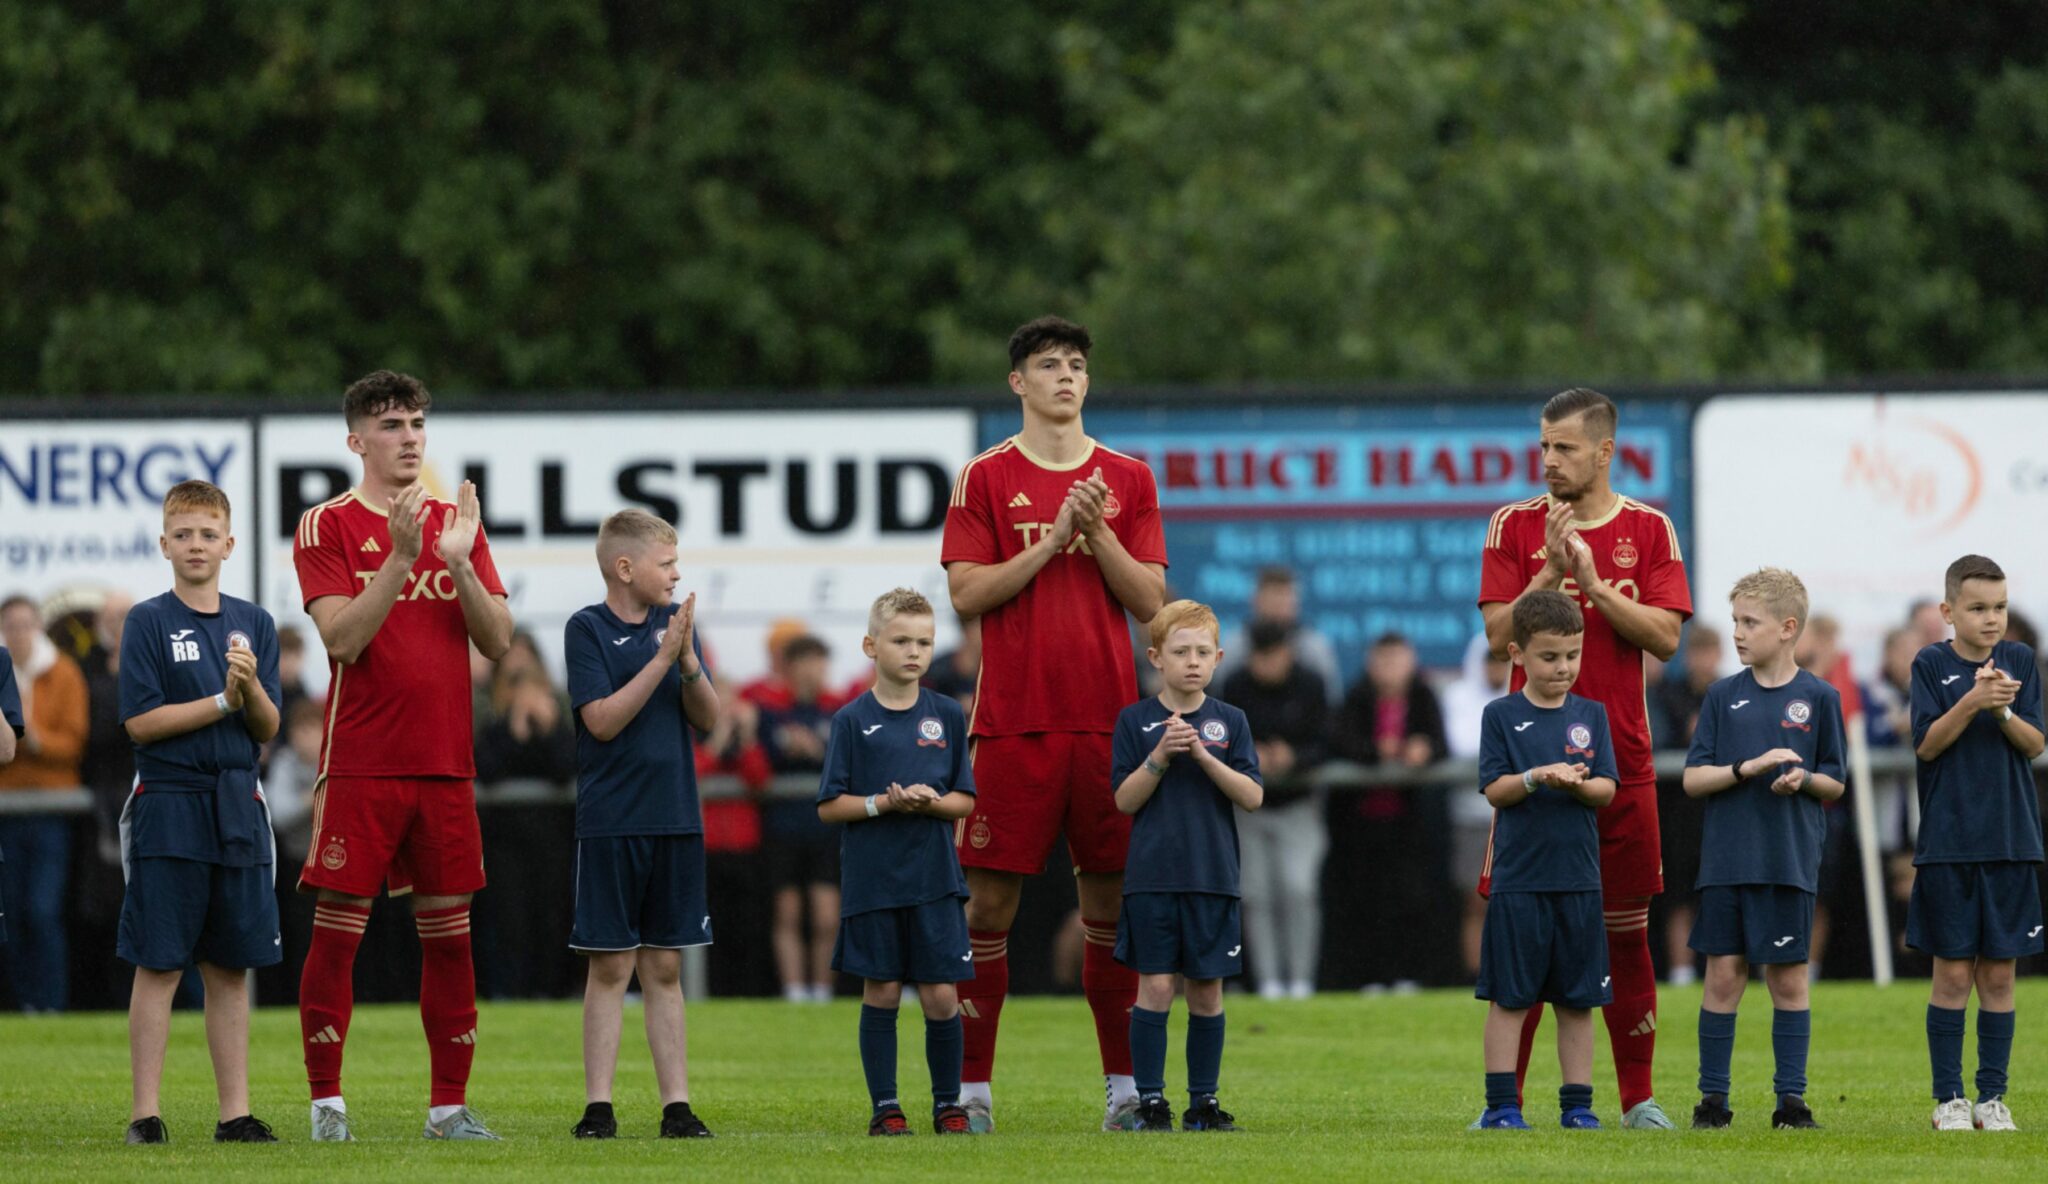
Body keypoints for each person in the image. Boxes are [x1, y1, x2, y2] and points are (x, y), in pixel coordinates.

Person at [941, 315, 1167, 1132]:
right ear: (1019, 384)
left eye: (1076, 364)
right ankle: (971, 1093)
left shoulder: (1127, 478)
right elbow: (965, 595)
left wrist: (1097, 530)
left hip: (1109, 728)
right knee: (987, 909)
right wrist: (1053, 542)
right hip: (1013, 723)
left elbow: (1152, 604)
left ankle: (1125, 1090)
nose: (1066, 376)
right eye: (1049, 364)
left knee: (1109, 911)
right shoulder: (986, 478)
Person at [290, 370, 514, 1141]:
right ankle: (327, 1105)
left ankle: (448, 1109)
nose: (410, 436)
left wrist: (452, 561)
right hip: (361, 762)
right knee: (337, 928)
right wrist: (400, 557)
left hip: (445, 764)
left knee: (450, 936)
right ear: (357, 440)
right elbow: (342, 640)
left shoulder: (460, 524)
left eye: (417, 422)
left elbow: (499, 641)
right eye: (391, 425)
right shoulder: (326, 525)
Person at [1477, 387, 1692, 1128]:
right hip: (1531, 767)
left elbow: (1666, 639)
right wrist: (1545, 572)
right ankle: (1511, 1107)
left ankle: (1638, 1099)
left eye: (1563, 448)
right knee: (1528, 933)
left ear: (1604, 453)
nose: (1548, 461)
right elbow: (1495, 636)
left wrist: (1595, 586)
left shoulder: (1649, 529)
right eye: (1543, 446)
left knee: (1625, 932)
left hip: (1617, 762)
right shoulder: (1513, 526)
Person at [115, 480, 284, 1145]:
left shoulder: (256, 623)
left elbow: (266, 726)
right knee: (159, 963)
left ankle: (234, 1114)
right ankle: (145, 1114)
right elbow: (140, 721)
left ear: (229, 544)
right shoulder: (148, 620)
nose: (195, 545)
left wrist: (246, 693)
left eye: (207, 534)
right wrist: (222, 699)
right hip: (170, 803)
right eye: (182, 534)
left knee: (230, 965)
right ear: (164, 543)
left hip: (237, 805)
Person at [563, 509, 719, 1140]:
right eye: (667, 564)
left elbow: (707, 717)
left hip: (675, 818)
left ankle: (676, 1106)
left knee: (664, 967)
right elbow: (601, 720)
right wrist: (662, 659)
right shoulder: (587, 629)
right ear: (625, 568)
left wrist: (685, 662)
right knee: (609, 966)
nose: (677, 575)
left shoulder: (675, 627)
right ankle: (598, 1106)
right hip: (611, 823)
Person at [1680, 569, 1845, 1131]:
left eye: (1750, 622)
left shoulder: (1819, 698)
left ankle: (1791, 1103)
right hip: (1727, 861)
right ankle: (1712, 1102)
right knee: (1722, 977)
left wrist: (1803, 780)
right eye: (1735, 623)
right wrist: (1742, 769)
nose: (1739, 634)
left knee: (1787, 980)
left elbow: (1836, 781)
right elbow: (1693, 779)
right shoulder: (1723, 696)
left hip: (1785, 860)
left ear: (1787, 628)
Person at [816, 589, 978, 1137]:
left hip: (934, 880)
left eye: (924, 642)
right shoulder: (851, 721)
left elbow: (965, 800)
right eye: (902, 640)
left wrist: (931, 801)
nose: (914, 651)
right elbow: (829, 805)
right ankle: (886, 1107)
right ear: (870, 645)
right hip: (873, 880)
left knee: (940, 994)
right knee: (881, 990)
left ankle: (947, 1105)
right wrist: (881, 803)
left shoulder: (948, 715)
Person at [1112, 600, 1263, 1132]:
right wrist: (1158, 757)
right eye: (1180, 651)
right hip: (1152, 879)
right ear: (1156, 657)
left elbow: (1251, 795)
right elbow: (1125, 801)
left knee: (1207, 989)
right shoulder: (1135, 720)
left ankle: (1204, 1102)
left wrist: (1202, 755)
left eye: (1202, 652)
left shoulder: (1231, 722)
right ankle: (1150, 1101)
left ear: (1219, 657)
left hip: (1213, 878)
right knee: (1154, 987)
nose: (1192, 661)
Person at [1908, 555, 2044, 1132]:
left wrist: (2003, 706)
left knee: (1999, 976)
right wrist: (1971, 699)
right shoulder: (1930, 663)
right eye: (1979, 608)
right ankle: (1949, 1101)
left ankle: (1992, 1098)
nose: (1992, 619)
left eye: (2000, 607)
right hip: (1949, 842)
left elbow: (2034, 741)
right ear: (1949, 612)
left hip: (2012, 841)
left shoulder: (2019, 660)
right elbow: (1927, 745)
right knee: (1954, 975)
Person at [1473, 590, 1618, 1131]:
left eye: (1572, 656)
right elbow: (1495, 790)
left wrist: (1579, 784)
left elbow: (1606, 787)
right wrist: (1537, 777)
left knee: (1578, 1001)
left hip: (1579, 880)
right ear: (1518, 655)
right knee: (1510, 999)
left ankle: (1578, 1106)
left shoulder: (1592, 715)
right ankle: (1502, 1107)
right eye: (1550, 657)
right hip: (1519, 882)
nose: (1564, 668)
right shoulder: (1502, 715)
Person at [1331, 632, 1448, 989]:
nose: (1390, 669)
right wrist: (1376, 751)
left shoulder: (1424, 697)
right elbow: (1341, 743)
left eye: (1397, 660)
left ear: (1411, 662)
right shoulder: (1356, 696)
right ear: (1370, 663)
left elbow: (1441, 744)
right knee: (1367, 900)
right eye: (1383, 661)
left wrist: (1423, 749)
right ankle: (1371, 977)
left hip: (1411, 821)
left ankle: (1408, 974)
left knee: (1411, 898)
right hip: (1362, 821)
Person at [1220, 618, 1328, 999]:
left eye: (1274, 655)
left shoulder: (1310, 683)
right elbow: (1221, 742)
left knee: (1298, 890)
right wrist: (1253, 757)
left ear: (1289, 651)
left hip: (1298, 806)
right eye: (1260, 656)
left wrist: (1293, 757)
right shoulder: (1234, 685)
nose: (1267, 664)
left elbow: (1327, 741)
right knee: (1256, 895)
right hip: (1249, 807)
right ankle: (1268, 982)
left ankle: (1300, 980)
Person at [0, 593, 90, 1012]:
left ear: (38, 627)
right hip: (7, 809)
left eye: (25, 625)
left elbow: (74, 743)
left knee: (42, 910)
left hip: (54, 809)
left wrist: (33, 738)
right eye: (10, 626)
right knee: (13, 913)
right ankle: (25, 1005)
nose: (18, 634)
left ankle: (52, 1003)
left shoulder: (64, 673)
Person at [758, 634, 846, 1003]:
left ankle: (822, 992)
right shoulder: (769, 714)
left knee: (827, 915)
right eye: (806, 663)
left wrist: (817, 750)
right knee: (788, 913)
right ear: (789, 668)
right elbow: (756, 768)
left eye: (820, 662)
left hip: (826, 828)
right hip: (783, 828)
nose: (814, 672)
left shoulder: (841, 714)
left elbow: (852, 764)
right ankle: (795, 993)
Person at [1653, 625, 1723, 988]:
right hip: (1677, 811)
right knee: (1678, 894)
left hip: (1719, 812)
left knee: (1715, 895)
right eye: (1698, 652)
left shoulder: (1729, 692)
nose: (1705, 661)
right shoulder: (1668, 693)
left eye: (1711, 652)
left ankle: (1717, 969)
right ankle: (1681, 974)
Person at [1442, 634, 1513, 978]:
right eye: (1489, 660)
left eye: (1500, 660)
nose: (1494, 668)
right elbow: (1460, 744)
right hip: (1470, 817)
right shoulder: (1457, 697)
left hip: (1513, 815)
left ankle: (1508, 969)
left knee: (1513, 900)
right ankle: (1475, 973)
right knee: (1475, 902)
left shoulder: (1521, 697)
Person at [1217, 567, 1342, 704]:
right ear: (1256, 601)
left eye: (1284, 598)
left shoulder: (1313, 646)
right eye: (1272, 599)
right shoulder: (1236, 645)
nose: (1278, 607)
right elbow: (1217, 695)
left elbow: (1331, 700)